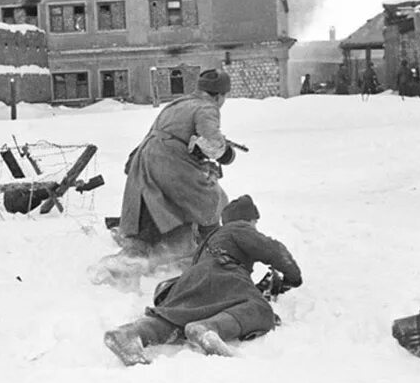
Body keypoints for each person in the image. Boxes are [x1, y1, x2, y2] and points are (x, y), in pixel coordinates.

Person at [104, 195, 302, 366]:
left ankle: (130, 334)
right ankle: (208, 329)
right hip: (223, 274)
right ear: (248, 220)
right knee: (258, 308)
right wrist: (293, 277)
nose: (255, 227)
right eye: (254, 223)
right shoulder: (239, 228)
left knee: (177, 319)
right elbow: (273, 250)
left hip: (189, 282)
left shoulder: (210, 240)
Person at [118, 68, 235, 261]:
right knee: (210, 198)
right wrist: (226, 153)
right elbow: (211, 141)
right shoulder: (207, 107)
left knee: (160, 201)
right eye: (225, 96)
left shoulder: (179, 103)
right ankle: (212, 250)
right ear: (219, 95)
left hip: (147, 155)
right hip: (168, 158)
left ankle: (155, 247)